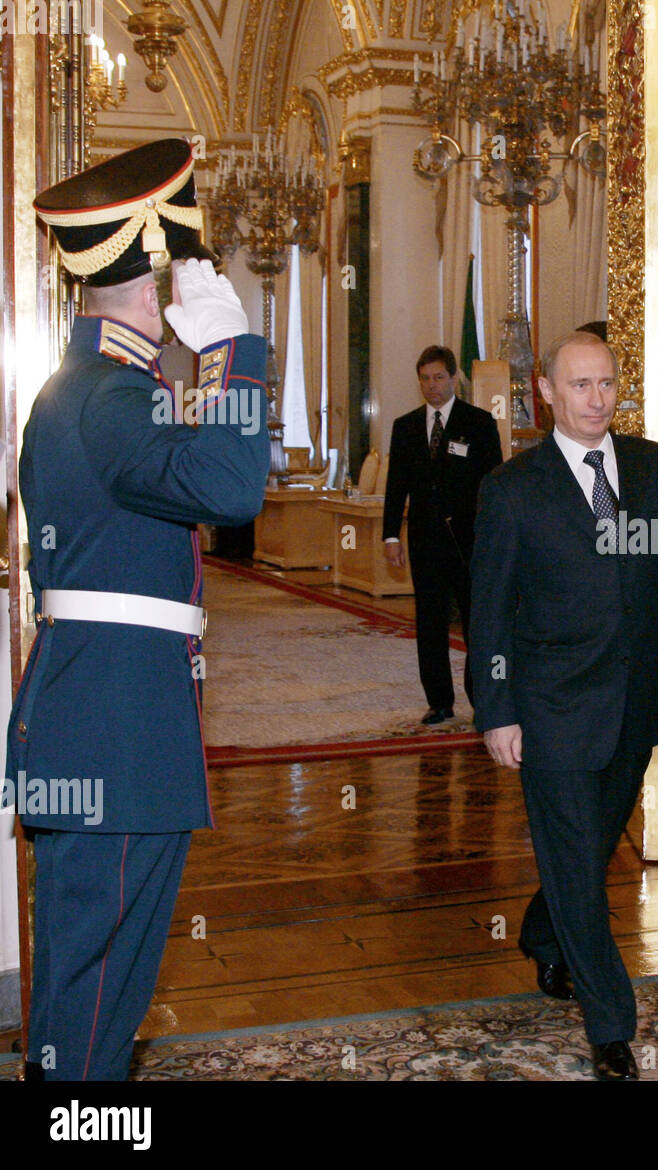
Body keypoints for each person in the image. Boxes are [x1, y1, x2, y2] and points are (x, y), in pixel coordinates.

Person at [7, 138, 270, 1081]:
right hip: (115, 725)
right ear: (154, 278)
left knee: (99, 986)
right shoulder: (111, 401)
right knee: (96, 987)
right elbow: (236, 488)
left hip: (110, 714)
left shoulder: (92, 389)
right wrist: (235, 349)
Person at [469, 330, 658, 1081]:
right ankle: (611, 1023)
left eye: (607, 384)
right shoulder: (514, 489)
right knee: (582, 866)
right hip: (550, 707)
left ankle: (545, 938)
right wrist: (496, 708)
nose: (596, 399)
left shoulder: (653, 469)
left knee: (581, 849)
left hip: (637, 700)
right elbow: (489, 613)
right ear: (544, 393)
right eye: (579, 385)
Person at [383, 346, 502, 724]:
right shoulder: (405, 427)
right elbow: (395, 486)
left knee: (476, 623)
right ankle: (439, 701)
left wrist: (495, 535)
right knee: (430, 623)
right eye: (425, 378)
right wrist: (390, 536)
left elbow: (494, 485)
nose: (432, 386)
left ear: (453, 379)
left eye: (438, 378)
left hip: (469, 543)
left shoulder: (479, 423)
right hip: (425, 542)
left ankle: (480, 696)